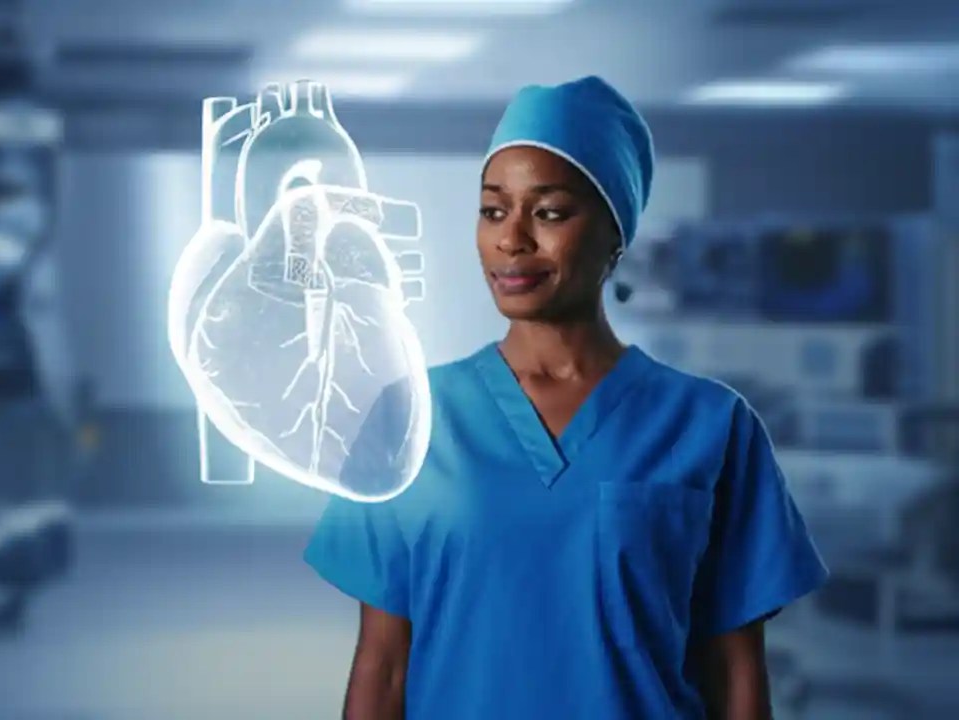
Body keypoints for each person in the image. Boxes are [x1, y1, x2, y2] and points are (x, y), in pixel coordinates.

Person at [303, 76, 830, 719]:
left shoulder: (711, 426)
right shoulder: (407, 417)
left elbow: (736, 665)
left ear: (616, 231)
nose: (511, 238)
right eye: (493, 210)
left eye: (549, 212)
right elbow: (383, 664)